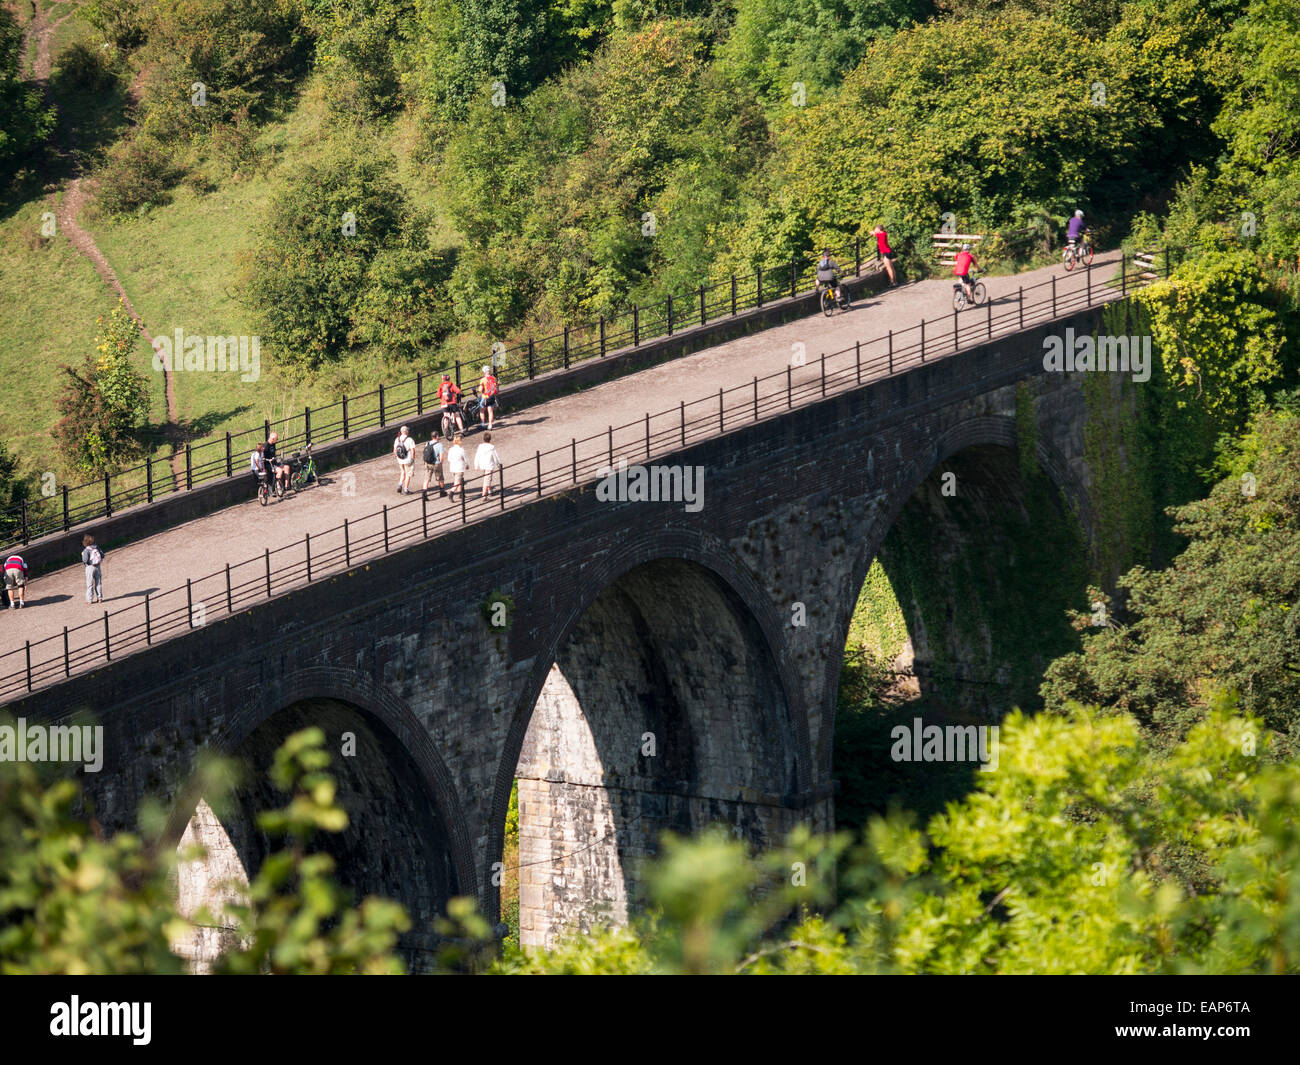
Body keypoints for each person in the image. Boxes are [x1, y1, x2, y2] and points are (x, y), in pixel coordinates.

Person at [474, 432, 502, 500]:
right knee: (487, 479)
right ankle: (484, 495)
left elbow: (477, 456)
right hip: (489, 465)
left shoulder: (480, 446)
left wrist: (476, 465)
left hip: (483, 464)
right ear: (490, 439)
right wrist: (498, 464)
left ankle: (489, 491)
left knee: (488, 478)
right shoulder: (492, 447)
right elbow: (495, 457)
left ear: (483, 439)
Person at [422, 430, 446, 498]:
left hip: (428, 463)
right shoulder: (439, 445)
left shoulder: (427, 443)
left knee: (426, 479)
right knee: (440, 478)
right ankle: (442, 492)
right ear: (437, 436)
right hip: (436, 463)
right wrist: (440, 463)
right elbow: (441, 458)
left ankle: (424, 494)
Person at [81, 533, 103, 605]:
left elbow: (85, 560)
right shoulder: (97, 547)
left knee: (90, 584)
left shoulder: (86, 550)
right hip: (97, 566)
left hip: (90, 567)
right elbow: (102, 555)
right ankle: (99, 598)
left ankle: (89, 600)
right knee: (98, 582)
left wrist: (82, 555)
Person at [446, 434, 468, 502]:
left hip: (453, 468)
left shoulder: (451, 449)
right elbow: (465, 458)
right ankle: (451, 493)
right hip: (459, 468)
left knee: (459, 480)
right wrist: (467, 465)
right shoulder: (461, 450)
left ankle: (461, 493)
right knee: (457, 482)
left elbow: (449, 459)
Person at [393, 425, 415, 494]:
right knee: (408, 474)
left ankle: (400, 485)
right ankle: (406, 489)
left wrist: (397, 457)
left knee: (402, 472)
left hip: (400, 460)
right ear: (406, 432)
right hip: (407, 460)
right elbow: (412, 450)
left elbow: (394, 450)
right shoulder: (409, 439)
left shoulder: (397, 439)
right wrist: (412, 458)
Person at [479, 365, 499, 431]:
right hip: (492, 396)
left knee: (481, 409)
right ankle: (490, 425)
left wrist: (480, 389)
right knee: (490, 411)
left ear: (484, 372)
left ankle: (483, 423)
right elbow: (496, 387)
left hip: (485, 397)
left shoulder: (483, 379)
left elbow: (480, 389)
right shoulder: (494, 378)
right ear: (489, 371)